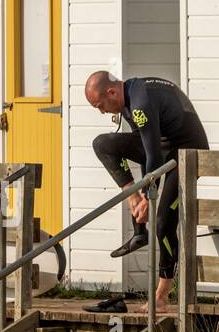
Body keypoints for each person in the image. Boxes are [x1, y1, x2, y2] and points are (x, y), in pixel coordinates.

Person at [85, 71, 209, 314]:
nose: (102, 112)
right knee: (103, 144)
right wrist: (137, 195)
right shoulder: (128, 99)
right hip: (162, 148)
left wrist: (149, 195)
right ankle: (139, 229)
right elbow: (147, 151)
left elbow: (152, 154)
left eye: (101, 106)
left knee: (163, 222)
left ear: (111, 92)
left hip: (186, 155)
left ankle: (161, 297)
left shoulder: (140, 103)